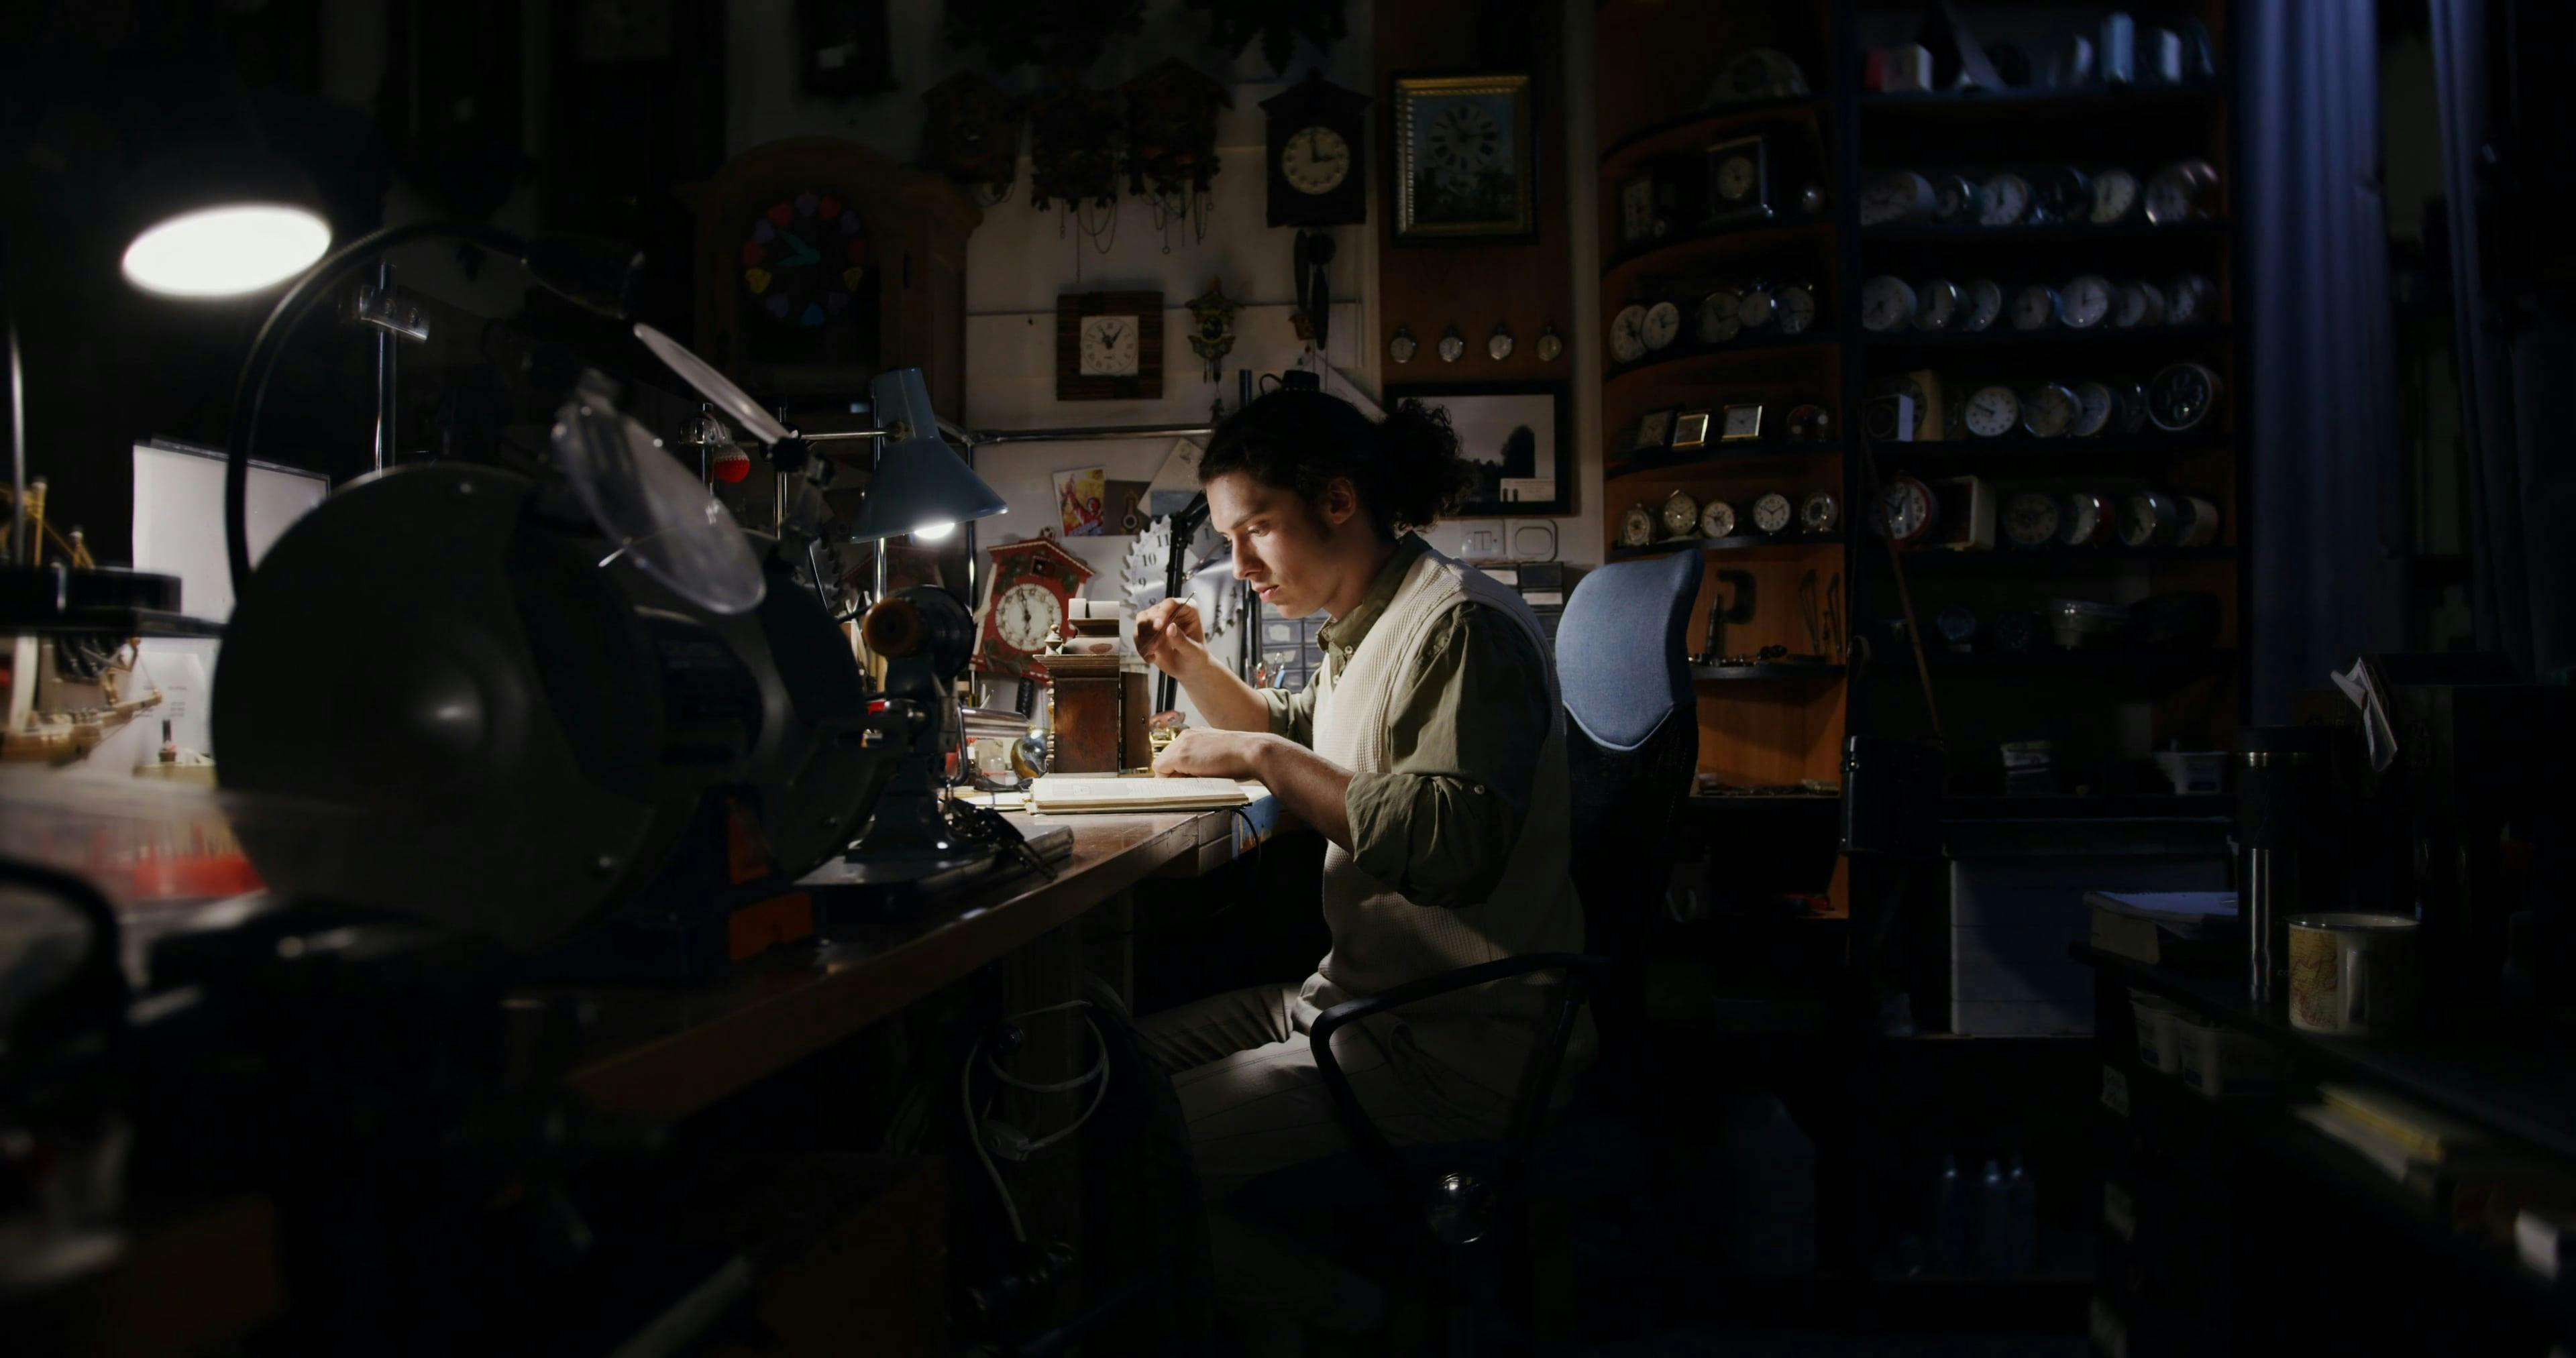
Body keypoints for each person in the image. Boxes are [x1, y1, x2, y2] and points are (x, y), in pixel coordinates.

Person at [1131, 388, 1588, 1351]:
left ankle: (1359, 1323)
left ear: (1339, 499)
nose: (1240, 564)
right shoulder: (1365, 622)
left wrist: (1255, 761)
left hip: (1453, 1043)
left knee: (1121, 1150)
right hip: (1357, 1000)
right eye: (1227, 536)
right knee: (1096, 1074)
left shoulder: (1461, 626)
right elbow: (1305, 734)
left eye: (1258, 529)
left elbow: (1452, 842)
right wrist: (1189, 663)